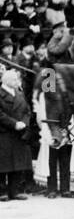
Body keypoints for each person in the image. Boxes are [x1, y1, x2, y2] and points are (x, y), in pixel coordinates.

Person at [0, 67, 34, 201]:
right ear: (7, 80)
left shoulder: (19, 93)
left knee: (17, 163)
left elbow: (27, 110)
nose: (17, 81)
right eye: (14, 79)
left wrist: (24, 123)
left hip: (19, 133)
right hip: (4, 132)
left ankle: (14, 191)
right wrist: (14, 123)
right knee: (3, 165)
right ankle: (2, 191)